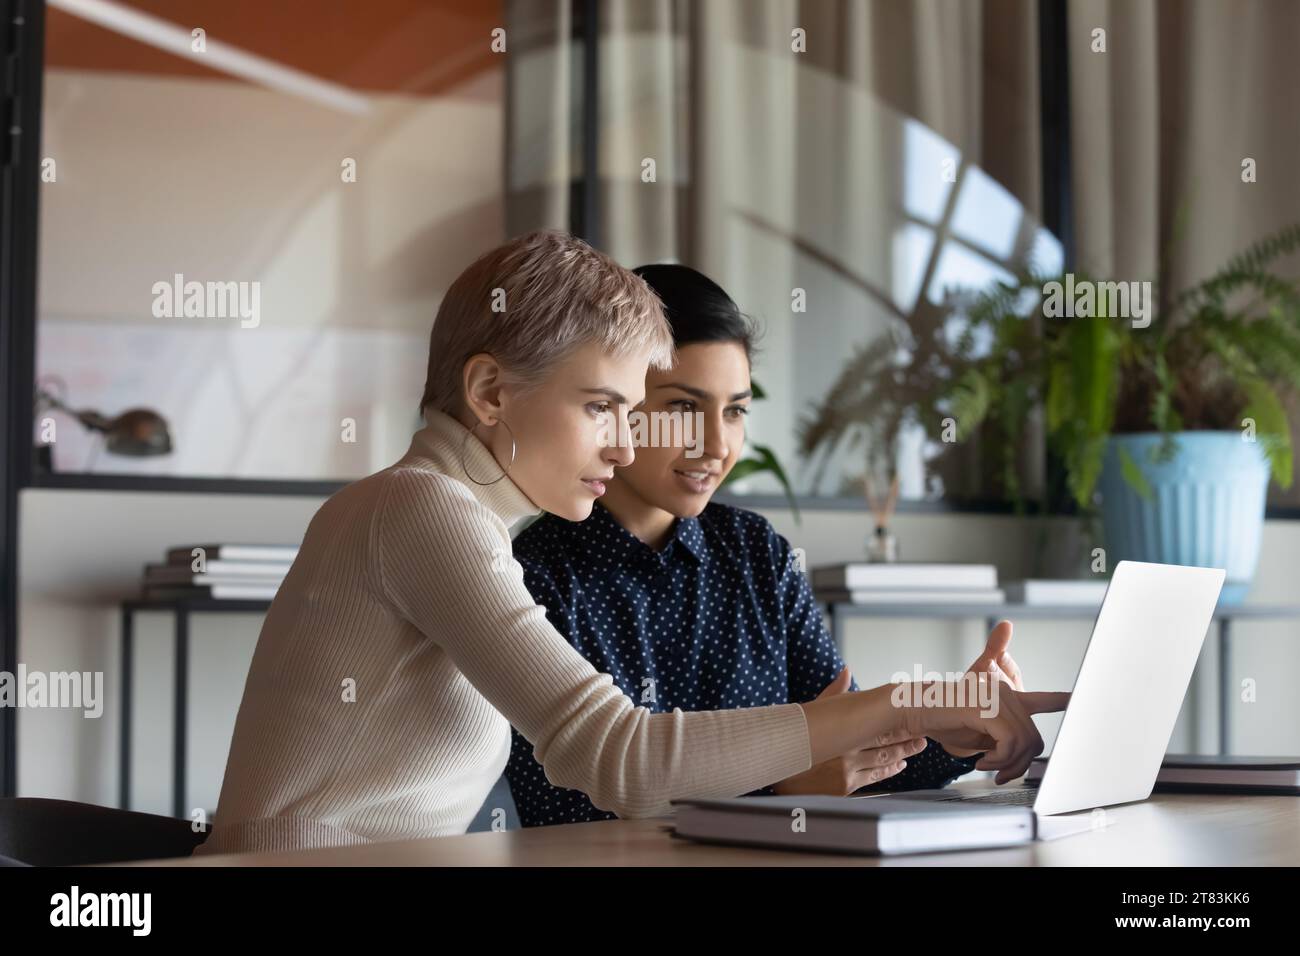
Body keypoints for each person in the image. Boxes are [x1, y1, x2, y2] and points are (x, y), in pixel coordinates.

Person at [195, 230, 1066, 855]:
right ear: (492, 393)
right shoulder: (425, 514)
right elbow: (619, 759)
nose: (624, 444)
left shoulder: (452, 517)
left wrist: (932, 722)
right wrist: (910, 699)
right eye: (604, 409)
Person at [504, 263, 1027, 827]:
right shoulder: (533, 577)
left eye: (735, 410)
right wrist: (780, 790)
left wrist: (953, 732)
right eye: (683, 406)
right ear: (615, 402)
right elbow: (569, 811)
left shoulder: (756, 553)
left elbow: (851, 754)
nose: (717, 443)